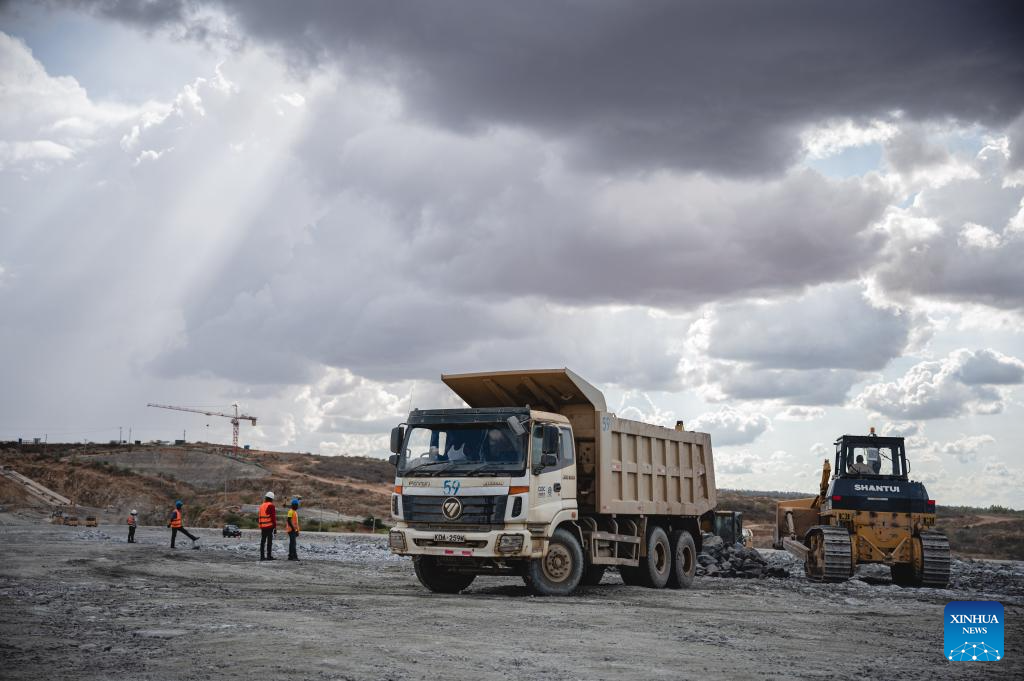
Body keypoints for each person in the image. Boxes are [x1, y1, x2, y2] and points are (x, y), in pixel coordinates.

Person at [258, 491, 277, 561]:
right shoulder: (271, 506)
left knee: (262, 541)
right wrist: (275, 527)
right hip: (269, 526)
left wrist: (260, 525)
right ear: (272, 499)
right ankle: (269, 556)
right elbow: (273, 518)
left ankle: (262, 557)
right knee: (269, 542)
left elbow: (259, 516)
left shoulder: (262, 505)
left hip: (263, 526)